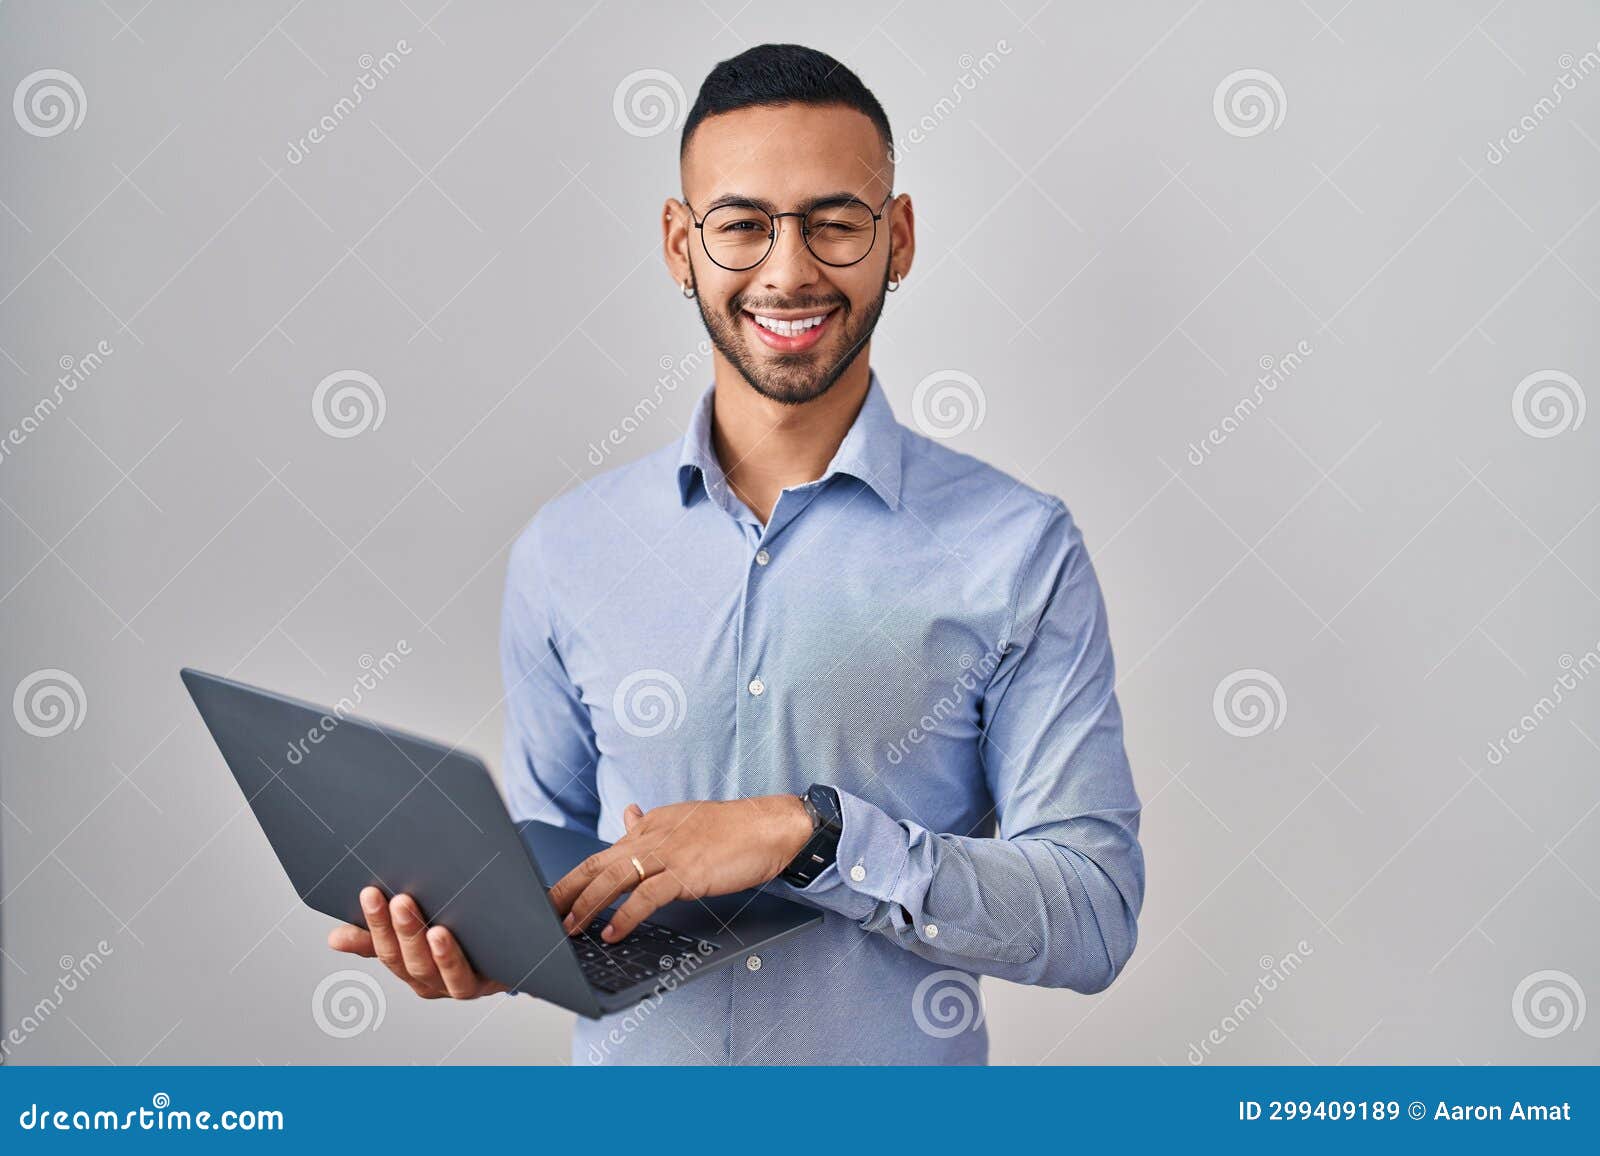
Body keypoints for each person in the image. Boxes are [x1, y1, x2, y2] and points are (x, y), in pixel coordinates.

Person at [327, 41, 1144, 1065]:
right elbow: (557, 866)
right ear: (680, 246)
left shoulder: (1017, 550)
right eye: (742, 225)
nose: (789, 269)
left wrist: (815, 834)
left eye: (834, 223)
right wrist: (496, 938)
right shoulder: (566, 551)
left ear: (897, 238)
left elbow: (1094, 914)